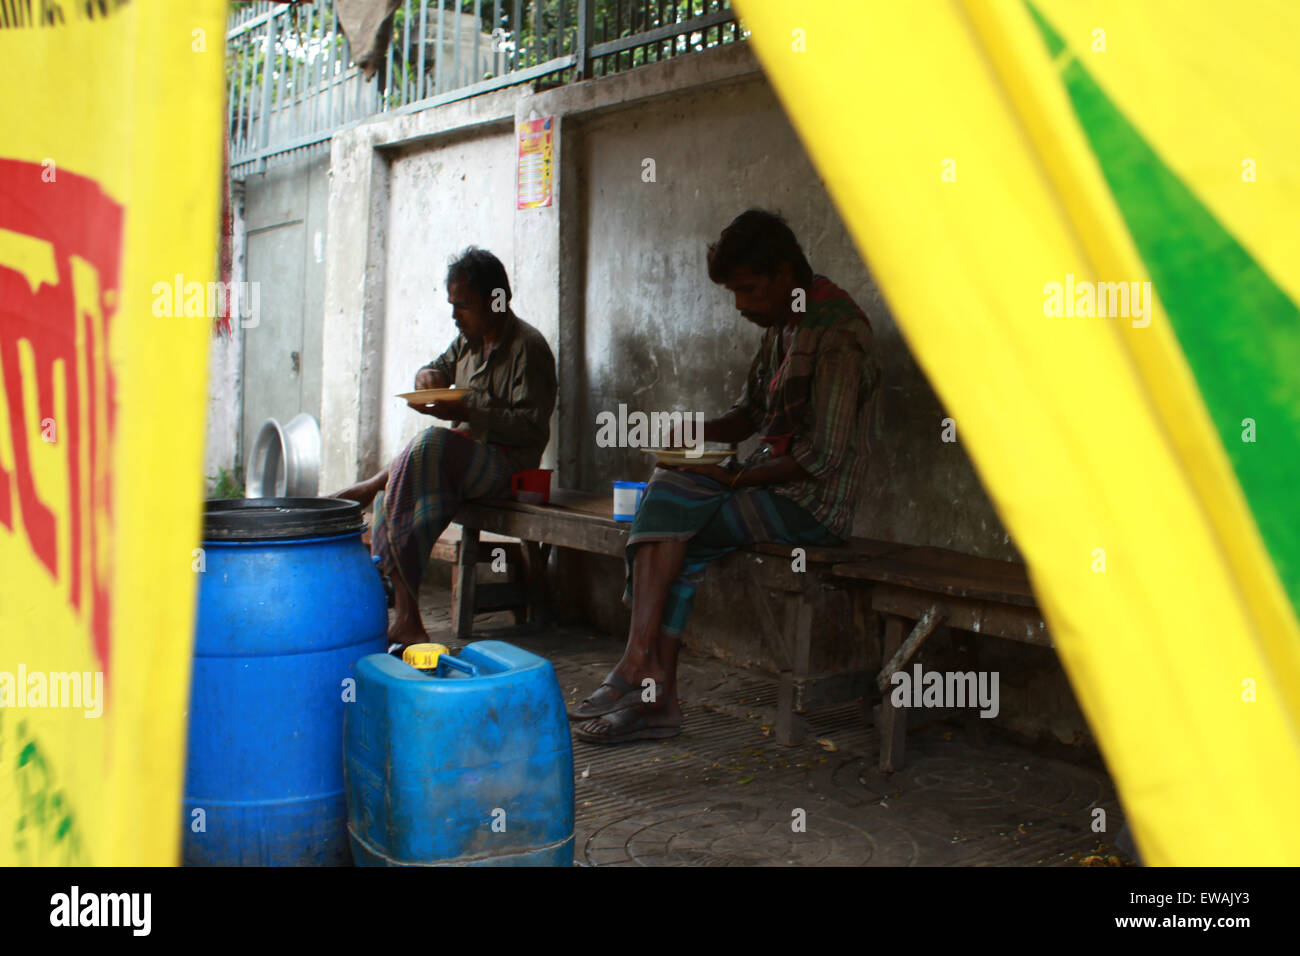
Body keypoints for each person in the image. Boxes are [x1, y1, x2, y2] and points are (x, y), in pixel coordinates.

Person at [571, 209, 882, 743]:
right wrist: (687, 429)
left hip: (814, 505)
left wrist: (734, 474)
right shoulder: (783, 325)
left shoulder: (839, 334)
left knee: (674, 523)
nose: (741, 306)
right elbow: (748, 415)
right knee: (669, 496)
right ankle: (647, 676)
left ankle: (647, 679)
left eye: (749, 290)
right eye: (734, 293)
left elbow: (822, 458)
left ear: (785, 274)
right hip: (767, 484)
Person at [334, 247, 557, 645]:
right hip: (466, 459)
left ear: (497, 300)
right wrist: (427, 377)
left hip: (512, 469)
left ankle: (374, 485)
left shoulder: (529, 348)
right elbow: (435, 367)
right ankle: (407, 617)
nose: (456, 316)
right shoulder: (467, 342)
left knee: (431, 445)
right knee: (395, 494)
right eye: (452, 306)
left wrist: (468, 404)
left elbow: (530, 428)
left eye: (464, 306)